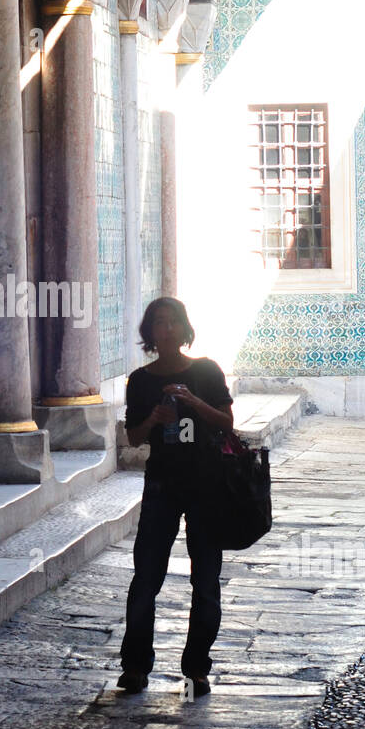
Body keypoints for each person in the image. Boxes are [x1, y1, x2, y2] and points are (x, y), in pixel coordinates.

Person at [118, 296, 233, 697]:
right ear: (149, 332)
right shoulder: (142, 380)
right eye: (158, 324)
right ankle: (134, 666)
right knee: (146, 577)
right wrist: (154, 418)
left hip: (205, 485)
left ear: (184, 329)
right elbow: (132, 438)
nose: (165, 330)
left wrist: (192, 401)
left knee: (205, 580)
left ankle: (197, 668)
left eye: (172, 323)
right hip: (162, 485)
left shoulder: (206, 371)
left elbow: (227, 421)